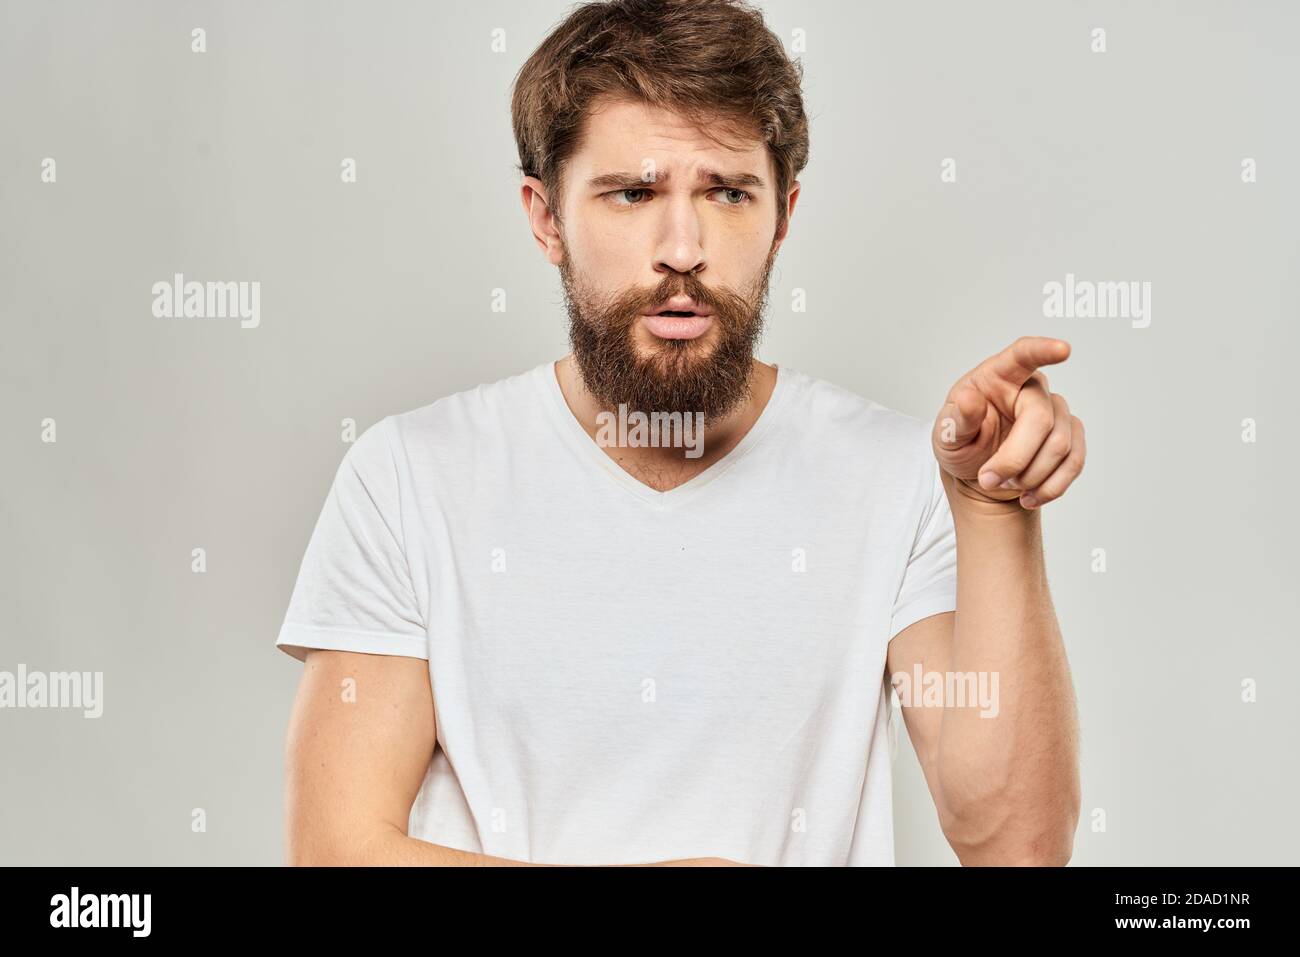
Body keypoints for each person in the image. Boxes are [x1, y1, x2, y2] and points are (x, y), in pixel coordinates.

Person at [277, 0, 1084, 867]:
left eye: (727, 192)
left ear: (781, 217)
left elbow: (1017, 850)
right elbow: (335, 853)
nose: (683, 248)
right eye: (633, 193)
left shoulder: (895, 478)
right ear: (546, 216)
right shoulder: (407, 479)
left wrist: (993, 507)